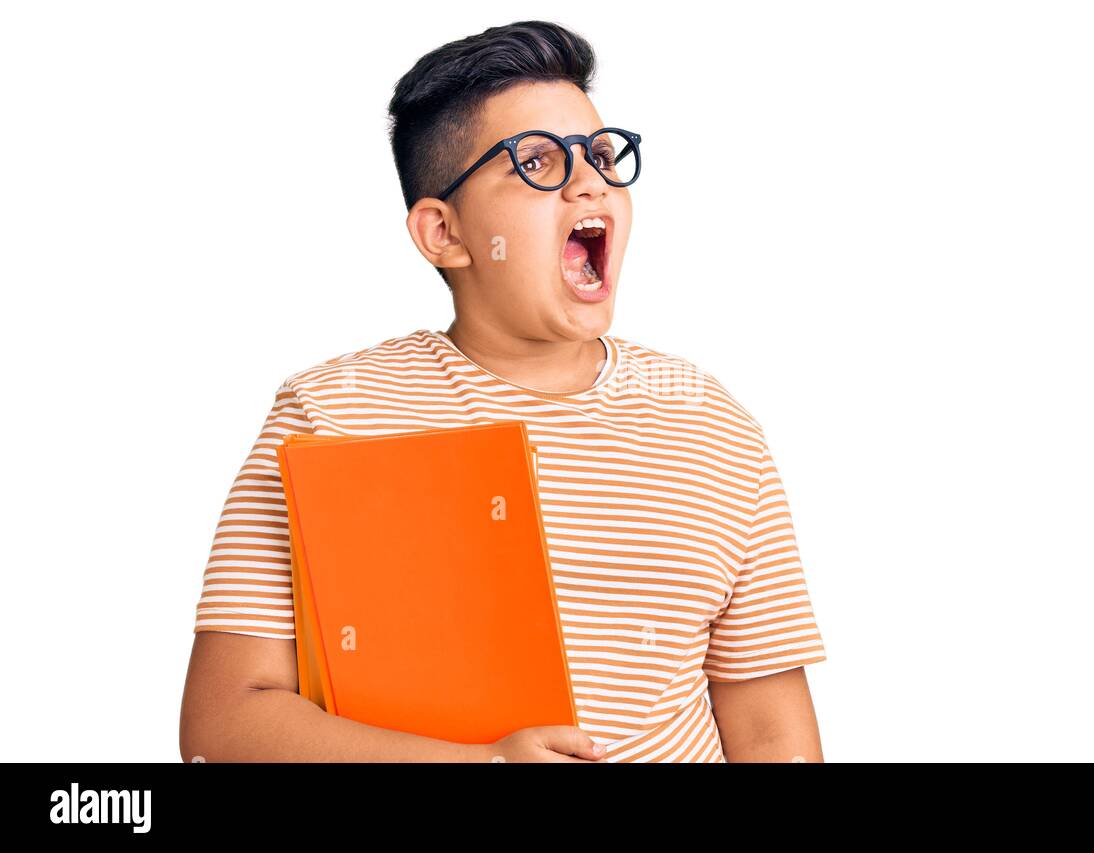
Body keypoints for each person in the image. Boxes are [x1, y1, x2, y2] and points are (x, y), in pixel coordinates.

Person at [179, 20, 827, 763]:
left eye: (604, 157)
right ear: (443, 233)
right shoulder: (330, 412)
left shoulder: (711, 421)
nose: (591, 182)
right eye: (538, 163)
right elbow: (223, 727)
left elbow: (773, 730)